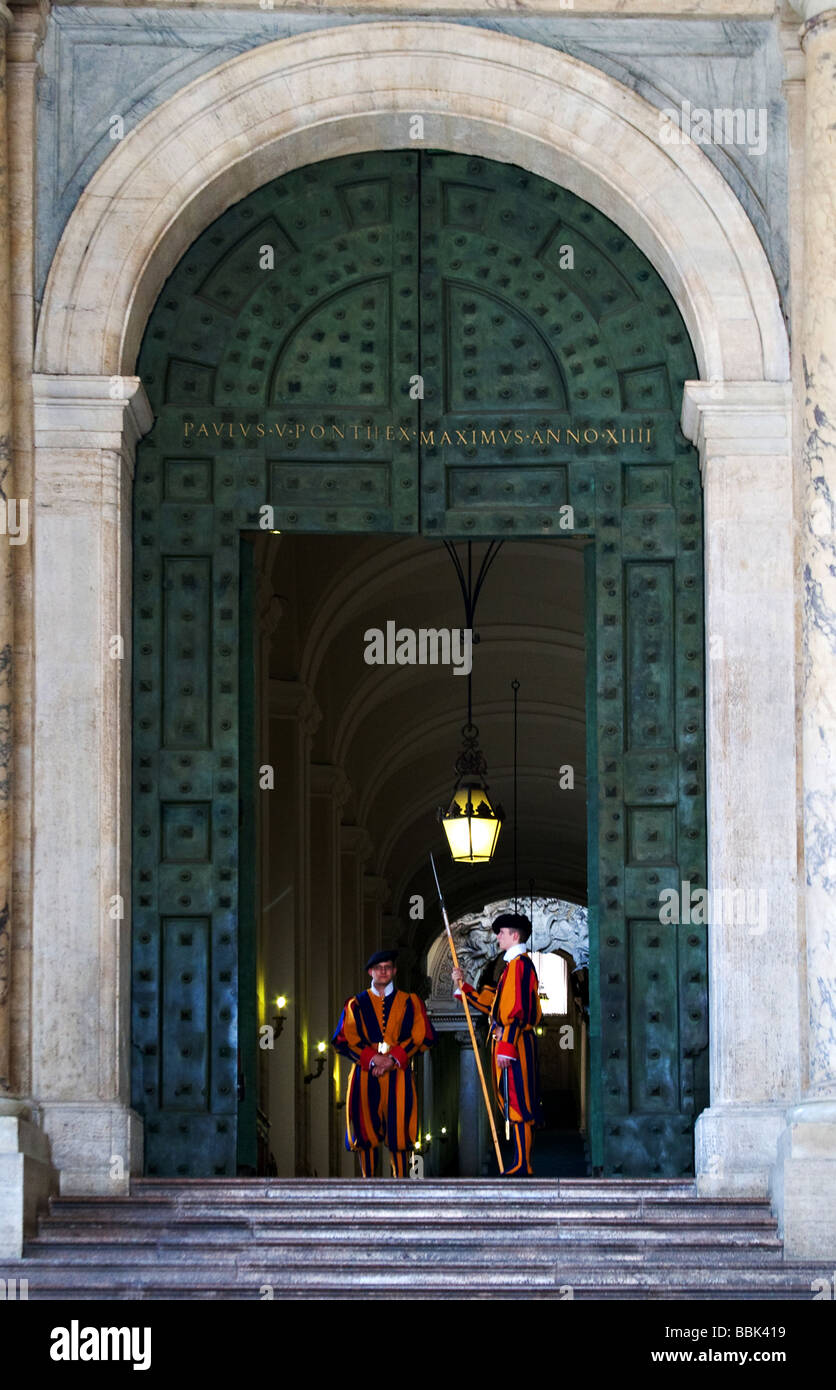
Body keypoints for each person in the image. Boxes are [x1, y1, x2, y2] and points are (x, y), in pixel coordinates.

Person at [331, 949, 437, 1178]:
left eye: (387, 967)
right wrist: (373, 1059)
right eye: (378, 968)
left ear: (394, 971)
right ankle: (369, 1183)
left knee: (399, 1129)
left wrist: (393, 1058)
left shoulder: (410, 1002)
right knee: (365, 1128)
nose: (383, 972)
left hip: (398, 1072)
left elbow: (421, 1035)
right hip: (364, 1073)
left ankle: (400, 1183)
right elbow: (344, 1038)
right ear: (370, 971)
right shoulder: (355, 1004)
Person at [452, 911, 542, 1176]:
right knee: (511, 1101)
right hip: (509, 1044)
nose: (498, 937)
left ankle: (523, 1163)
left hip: (515, 1046)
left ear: (514, 936)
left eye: (501, 933)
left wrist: (506, 1046)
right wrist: (464, 987)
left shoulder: (521, 966)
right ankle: (519, 1161)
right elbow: (494, 1007)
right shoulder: (510, 969)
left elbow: (518, 1011)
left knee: (519, 1102)